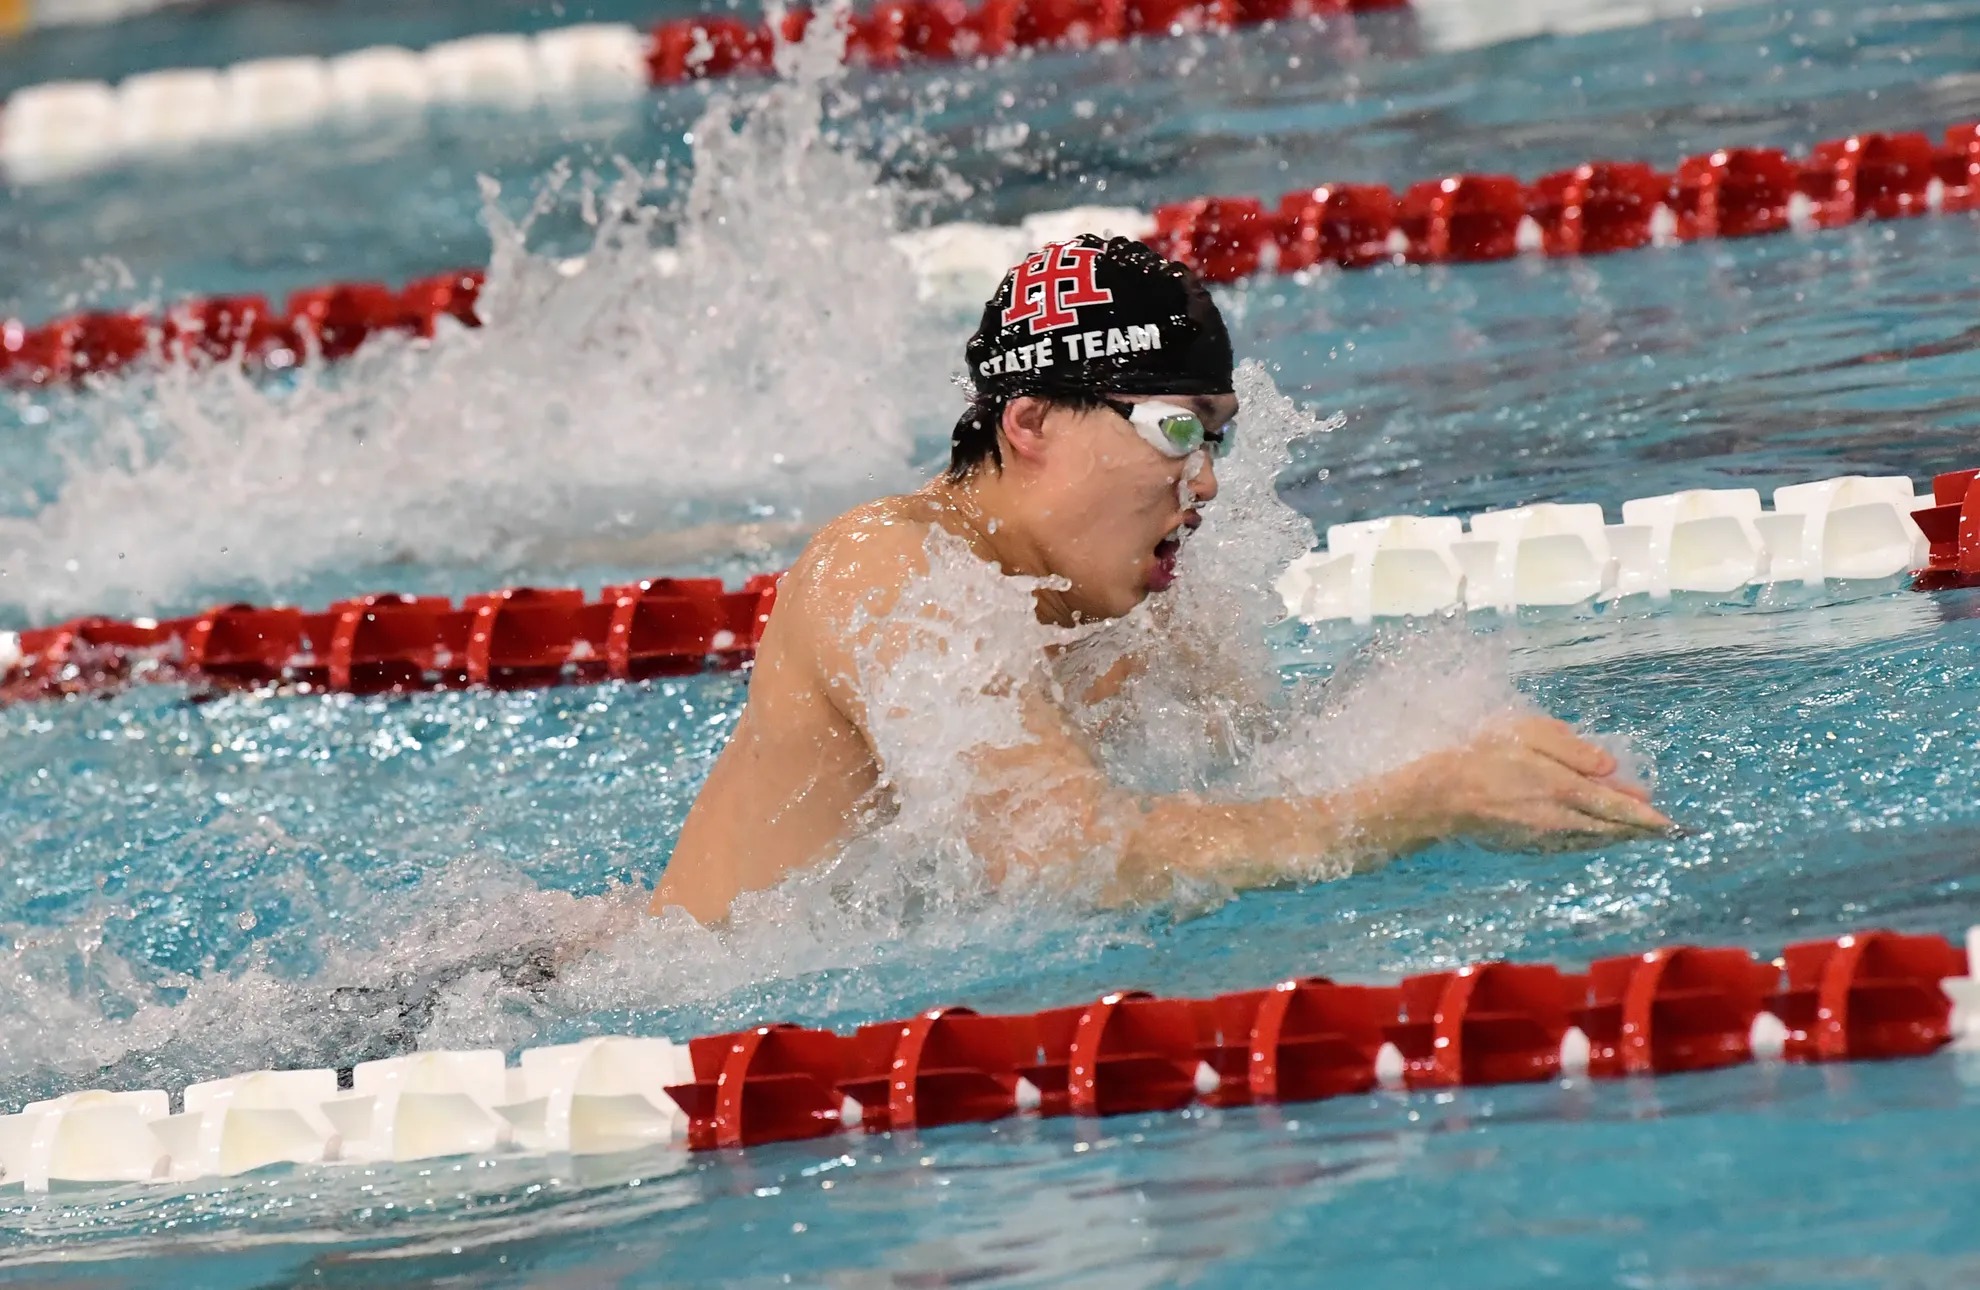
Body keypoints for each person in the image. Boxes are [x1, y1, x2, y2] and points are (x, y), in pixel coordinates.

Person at [652, 235, 1671, 925]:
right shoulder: (891, 569)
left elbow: (1259, 787)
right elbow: (1061, 854)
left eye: (1217, 436)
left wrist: (1463, 752)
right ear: (1031, 423)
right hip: (684, 1012)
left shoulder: (1133, 608)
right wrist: (1422, 803)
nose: (1208, 481)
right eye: (1177, 430)